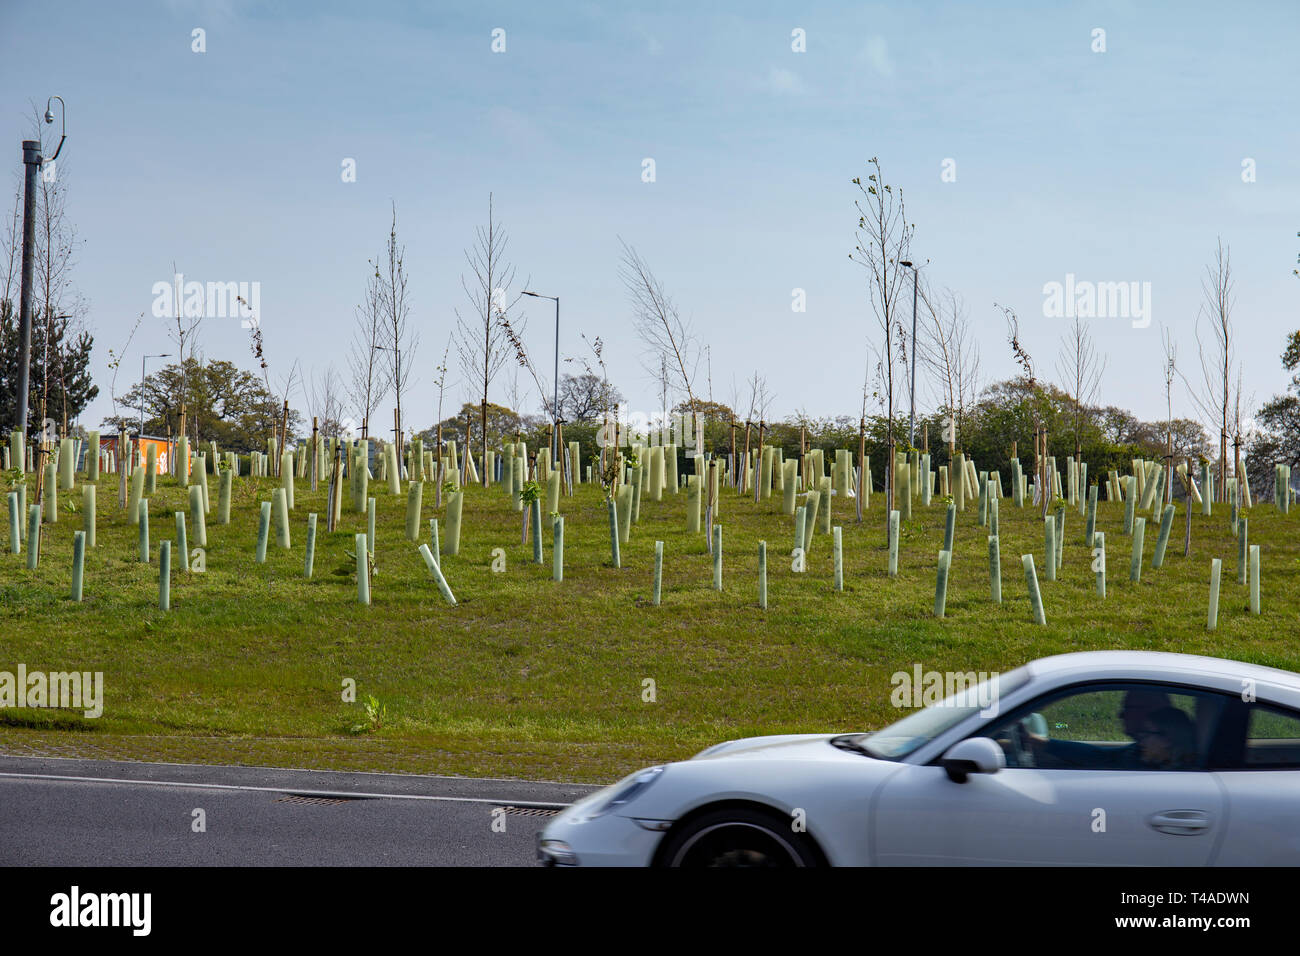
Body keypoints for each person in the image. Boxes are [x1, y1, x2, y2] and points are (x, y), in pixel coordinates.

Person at [1011, 689, 1180, 769]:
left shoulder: (1160, 765)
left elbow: (1100, 757)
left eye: (1129, 707)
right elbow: (1100, 755)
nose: (1121, 715)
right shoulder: (1139, 752)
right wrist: (1035, 741)